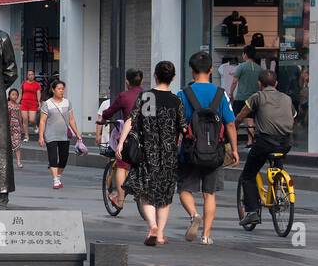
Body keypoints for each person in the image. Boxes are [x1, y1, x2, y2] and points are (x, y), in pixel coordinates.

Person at [115, 61, 186, 247]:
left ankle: (152, 226)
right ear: (173, 78)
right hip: (169, 155)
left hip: (147, 152)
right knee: (165, 194)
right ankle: (160, 233)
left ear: (155, 75)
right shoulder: (176, 100)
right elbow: (183, 128)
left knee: (145, 192)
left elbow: (132, 119)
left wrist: (121, 143)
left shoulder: (147, 97)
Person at [178, 51, 239, 246]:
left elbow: (178, 124)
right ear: (211, 70)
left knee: (184, 189)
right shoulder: (220, 95)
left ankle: (194, 214)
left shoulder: (183, 94)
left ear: (192, 71)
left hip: (190, 151)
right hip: (215, 151)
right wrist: (235, 149)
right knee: (209, 194)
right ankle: (206, 235)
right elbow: (230, 124)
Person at [237, 70, 297, 228]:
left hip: (264, 143)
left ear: (259, 84)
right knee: (277, 162)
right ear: (276, 84)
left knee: (248, 176)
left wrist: (233, 127)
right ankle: (279, 190)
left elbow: (242, 115)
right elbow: (293, 116)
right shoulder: (287, 98)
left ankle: (252, 212)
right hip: (285, 144)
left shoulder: (257, 96)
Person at [96, 69, 145, 209]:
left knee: (121, 165)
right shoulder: (148, 96)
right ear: (141, 81)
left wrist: (102, 119)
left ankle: (120, 200)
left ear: (127, 82)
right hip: (147, 137)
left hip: (130, 137)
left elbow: (109, 111)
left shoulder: (124, 96)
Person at [38, 79, 84, 190]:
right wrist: (41, 136)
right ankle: (55, 180)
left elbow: (71, 119)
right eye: (59, 89)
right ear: (53, 90)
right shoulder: (47, 104)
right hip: (50, 135)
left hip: (64, 135)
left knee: (64, 158)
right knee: (53, 157)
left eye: (62, 89)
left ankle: (58, 176)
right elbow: (42, 121)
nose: (61, 91)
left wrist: (77, 134)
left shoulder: (67, 103)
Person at [233, 44, 262, 143]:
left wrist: (230, 93)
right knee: (250, 120)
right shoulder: (259, 68)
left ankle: (234, 141)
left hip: (240, 97)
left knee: (236, 120)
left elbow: (234, 81)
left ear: (245, 54)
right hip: (253, 98)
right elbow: (260, 84)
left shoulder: (241, 67)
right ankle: (250, 142)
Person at [19, 72, 42, 142]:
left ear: (34, 75)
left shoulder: (37, 84)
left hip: (33, 103)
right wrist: (17, 102)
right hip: (24, 103)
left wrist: (39, 102)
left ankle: (35, 126)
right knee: (25, 120)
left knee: (32, 120)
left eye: (32, 74)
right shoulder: (23, 84)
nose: (30, 76)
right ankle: (26, 136)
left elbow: (38, 94)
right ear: (27, 75)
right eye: (29, 74)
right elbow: (20, 94)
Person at [8, 88, 24, 168]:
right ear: (9, 95)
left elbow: (20, 117)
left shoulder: (18, 106)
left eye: (16, 95)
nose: (14, 96)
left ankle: (18, 161)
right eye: (13, 94)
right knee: (9, 145)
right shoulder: (7, 105)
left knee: (17, 144)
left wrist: (21, 127)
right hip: (9, 127)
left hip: (16, 126)